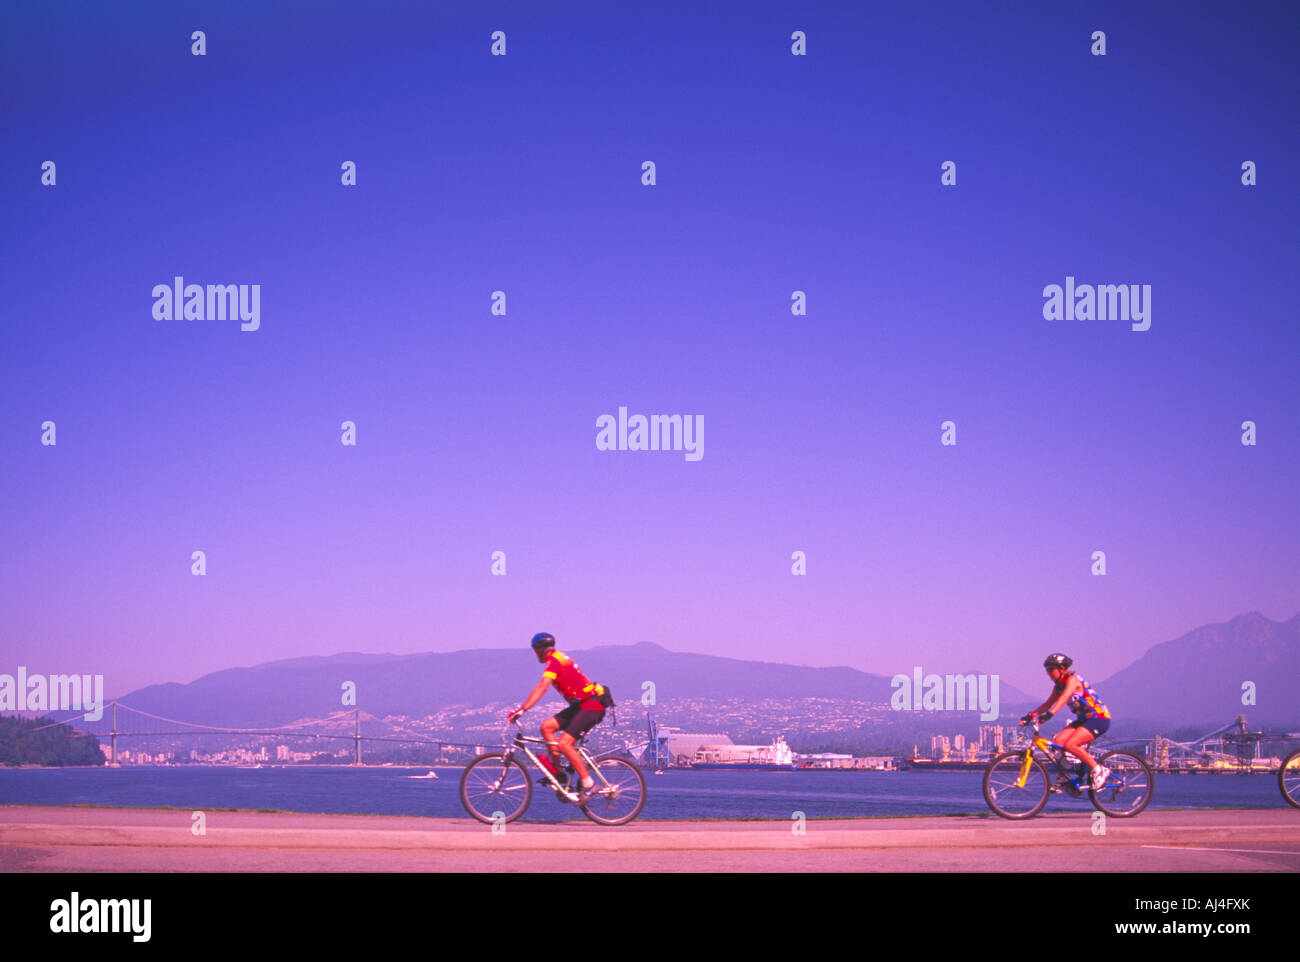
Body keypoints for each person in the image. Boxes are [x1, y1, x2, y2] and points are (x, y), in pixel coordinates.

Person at [507, 632, 613, 805]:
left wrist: (522, 709)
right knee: (546, 727)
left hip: (592, 705)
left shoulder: (555, 662)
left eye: (535, 651)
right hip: (581, 706)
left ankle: (589, 784)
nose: (535, 655)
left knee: (564, 744)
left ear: (541, 650)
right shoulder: (556, 660)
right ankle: (558, 773)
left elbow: (542, 687)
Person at [1022, 653, 1111, 791]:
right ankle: (1063, 777)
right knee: (1057, 742)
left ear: (1062, 668)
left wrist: (1049, 715)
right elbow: (1047, 704)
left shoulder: (1072, 680)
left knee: (1070, 745)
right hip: (1083, 720)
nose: (1048, 673)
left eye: (1051, 669)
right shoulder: (1058, 686)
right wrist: (1031, 715)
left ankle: (1099, 770)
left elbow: (1063, 699)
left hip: (1098, 718)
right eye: (1047, 670)